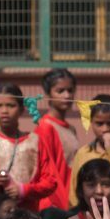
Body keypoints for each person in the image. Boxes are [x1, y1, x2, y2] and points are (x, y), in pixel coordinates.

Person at [0, 83, 57, 212]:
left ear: (21, 109)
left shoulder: (35, 142)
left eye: (11, 105)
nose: (4, 111)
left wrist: (24, 190)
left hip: (28, 216)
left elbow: (51, 182)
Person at [33, 68, 79, 211]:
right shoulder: (45, 127)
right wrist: (63, 205)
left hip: (71, 199)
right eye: (60, 91)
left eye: (70, 90)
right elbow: (50, 173)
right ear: (48, 94)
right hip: (54, 205)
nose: (67, 95)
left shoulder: (71, 129)